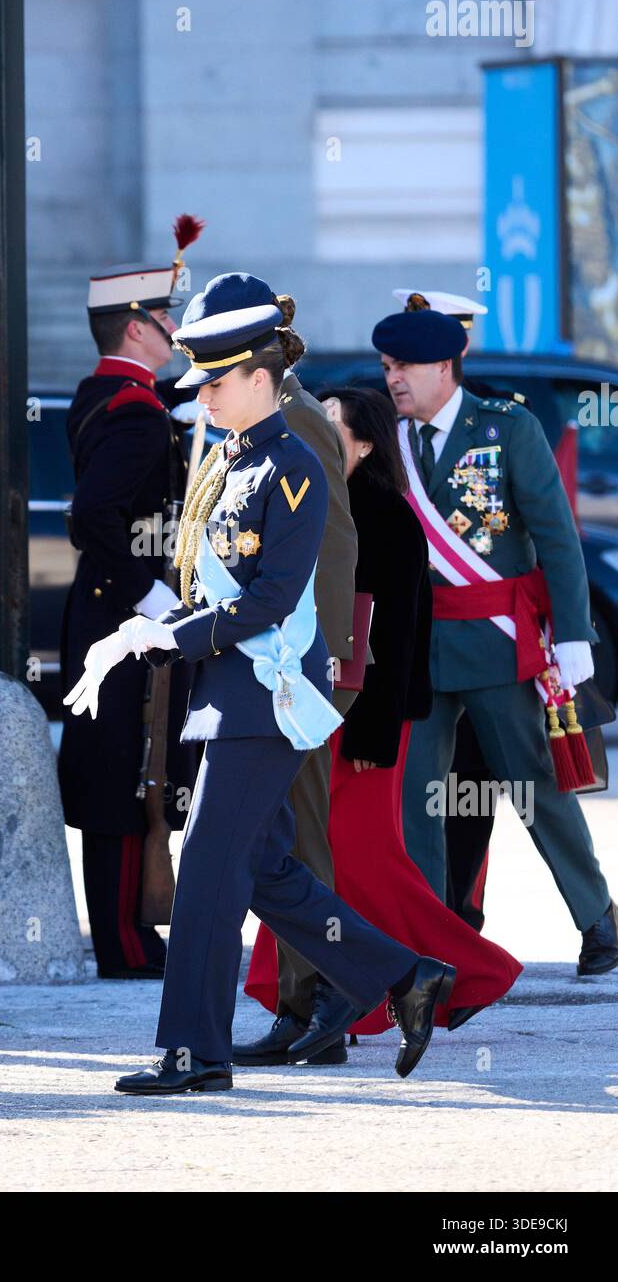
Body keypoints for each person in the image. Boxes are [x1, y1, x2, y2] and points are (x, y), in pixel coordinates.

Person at [64, 275, 456, 1094]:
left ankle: (192, 1053)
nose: (199, 394)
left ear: (258, 378)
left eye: (213, 380)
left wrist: (156, 635)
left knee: (209, 876)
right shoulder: (232, 459)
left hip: (267, 696)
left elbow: (271, 598)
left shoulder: (293, 466)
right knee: (268, 871)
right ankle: (403, 975)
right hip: (229, 694)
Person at [244, 386, 523, 1044]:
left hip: (366, 723)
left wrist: (372, 729)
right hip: (320, 712)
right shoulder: (312, 504)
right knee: (316, 859)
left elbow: (397, 637)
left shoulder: (386, 514)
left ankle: (453, 973)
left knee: (365, 864)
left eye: (329, 426)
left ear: (364, 443)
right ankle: (331, 1001)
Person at [375, 307, 618, 980]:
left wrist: (573, 634)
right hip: (419, 649)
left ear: (443, 367)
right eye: (387, 367)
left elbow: (558, 538)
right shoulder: (388, 440)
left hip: (496, 644)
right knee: (418, 797)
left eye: (403, 368)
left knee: (534, 784)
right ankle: (432, 936)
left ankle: (598, 919)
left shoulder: (507, 430)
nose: (392, 379)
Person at [58, 221, 202, 979]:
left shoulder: (114, 396)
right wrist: (148, 594)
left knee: (134, 766)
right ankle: (124, 941)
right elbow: (92, 517)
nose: (175, 329)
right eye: (165, 319)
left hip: (109, 609)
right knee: (127, 773)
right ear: (136, 327)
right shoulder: (138, 415)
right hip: (126, 612)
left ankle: (130, 936)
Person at [228, 289, 359, 1069]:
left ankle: (326, 1002)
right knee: (273, 834)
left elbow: (335, 544)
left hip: (297, 662)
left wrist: (326, 661)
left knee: (298, 836)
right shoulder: (255, 419)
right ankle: (302, 1005)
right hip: (263, 656)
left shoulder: (298, 417)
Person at [393, 289, 499, 932]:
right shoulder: (389, 424)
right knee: (415, 793)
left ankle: (463, 909)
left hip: (483, 634)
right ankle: (429, 919)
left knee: (476, 784)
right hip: (416, 637)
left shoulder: (495, 420)